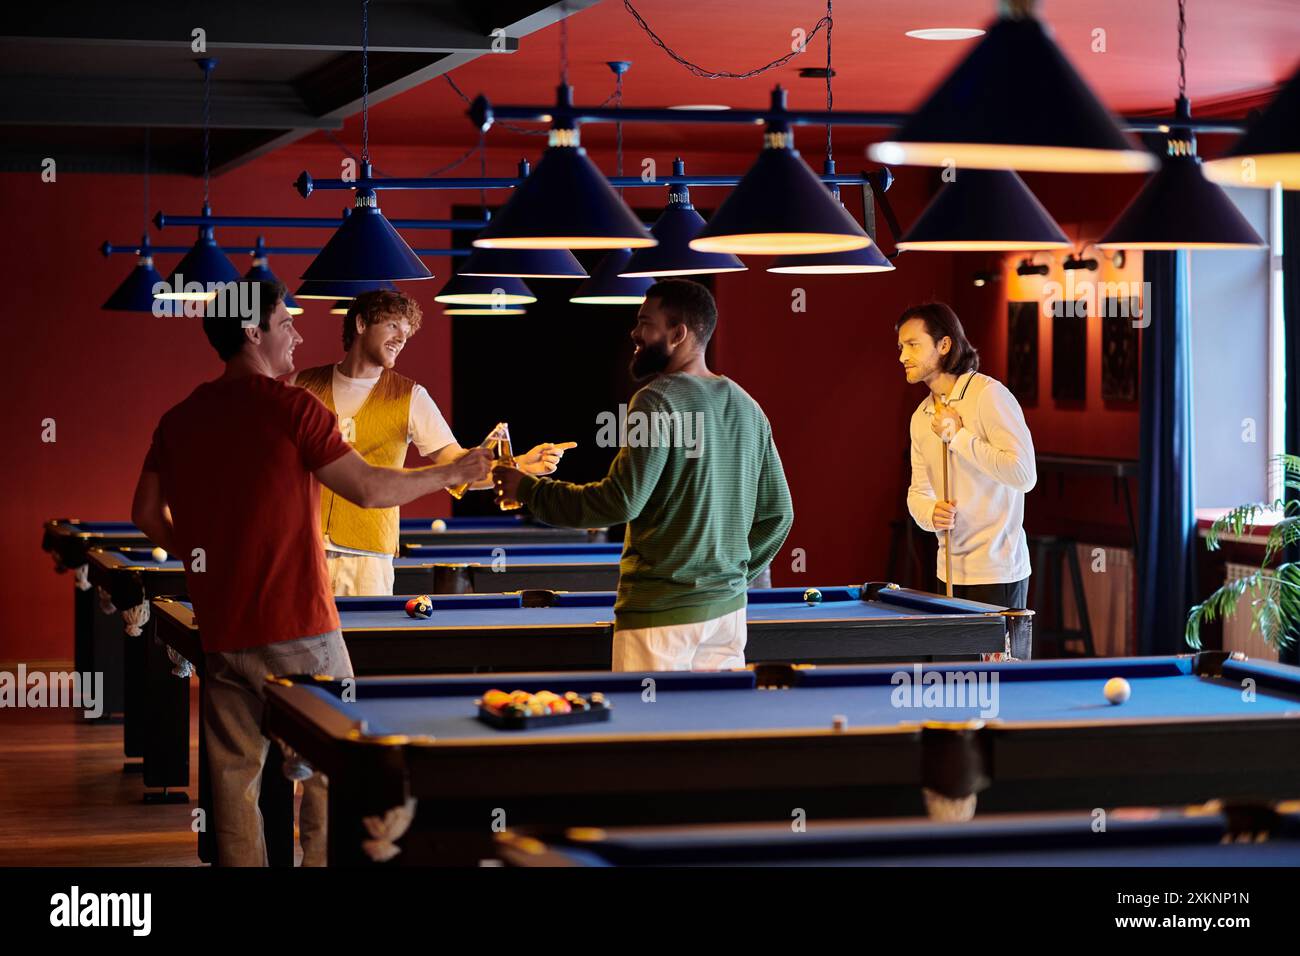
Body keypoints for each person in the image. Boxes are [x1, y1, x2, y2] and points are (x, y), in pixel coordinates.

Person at [130, 282, 491, 866]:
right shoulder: (296, 406)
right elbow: (370, 489)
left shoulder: (179, 418)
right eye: (284, 323)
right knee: (334, 769)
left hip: (223, 629)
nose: (297, 334)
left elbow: (145, 514)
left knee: (233, 784)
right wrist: (454, 474)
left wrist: (206, 561)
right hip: (301, 627)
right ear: (253, 331)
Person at [493, 279, 793, 672]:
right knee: (708, 731)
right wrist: (727, 579)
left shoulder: (656, 399)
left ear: (678, 333)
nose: (634, 333)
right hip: (727, 617)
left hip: (659, 618)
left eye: (645, 323)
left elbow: (619, 500)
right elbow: (779, 513)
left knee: (647, 731)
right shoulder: (746, 404)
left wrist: (531, 489)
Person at [290, 289, 571, 595]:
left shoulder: (411, 396)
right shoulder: (299, 386)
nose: (401, 338)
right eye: (393, 326)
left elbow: (457, 468)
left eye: (407, 332)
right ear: (360, 324)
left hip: (368, 559)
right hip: (298, 550)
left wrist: (518, 466)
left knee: (363, 643)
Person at [897, 302, 1036, 608]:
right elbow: (917, 493)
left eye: (913, 345)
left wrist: (958, 437)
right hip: (948, 572)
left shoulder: (989, 395)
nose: (903, 356)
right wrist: (930, 513)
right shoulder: (920, 416)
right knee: (954, 659)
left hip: (997, 572)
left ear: (944, 344)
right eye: (901, 347)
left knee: (994, 660)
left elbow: (1024, 475)